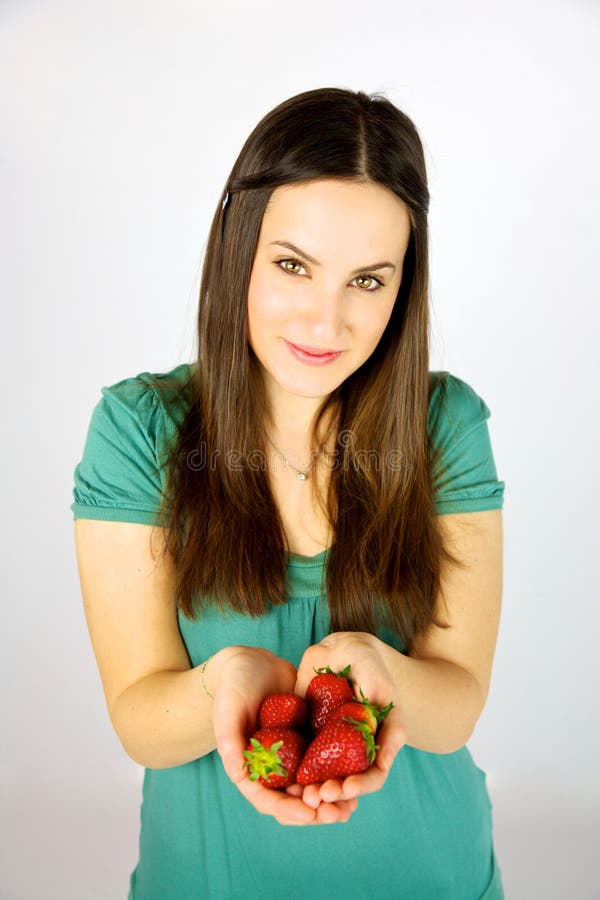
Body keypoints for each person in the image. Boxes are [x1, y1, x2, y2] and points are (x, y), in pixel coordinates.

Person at [71, 86, 506, 900]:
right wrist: (221, 680)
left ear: (403, 289)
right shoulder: (139, 431)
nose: (326, 320)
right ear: (239, 248)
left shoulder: (445, 424)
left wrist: (387, 671)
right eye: (293, 265)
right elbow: (140, 721)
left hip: (433, 878)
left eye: (368, 281)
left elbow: (458, 706)